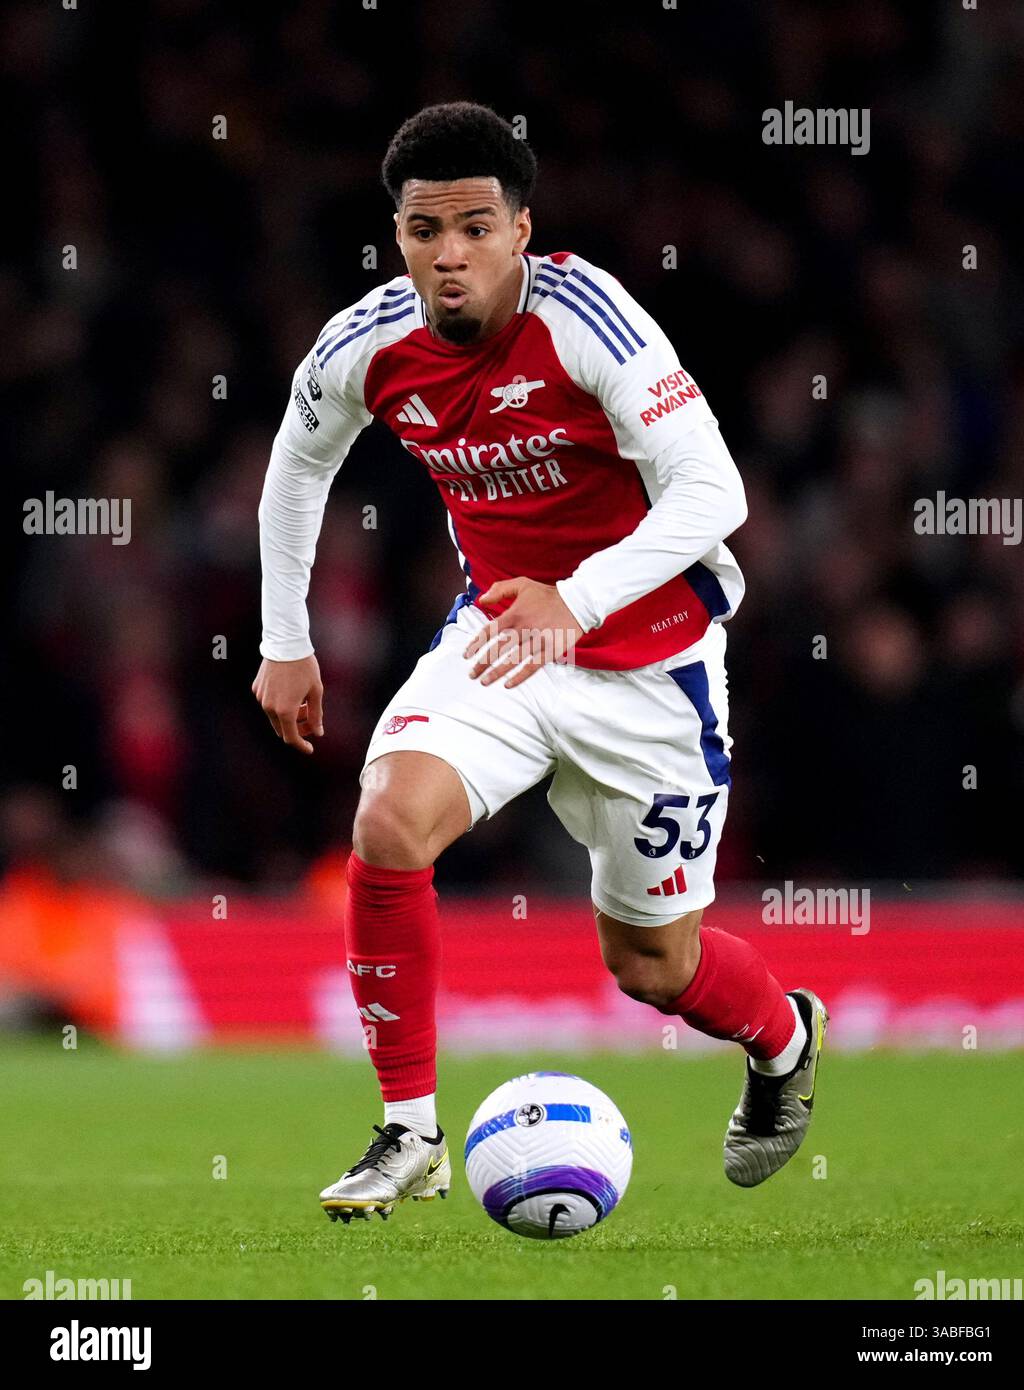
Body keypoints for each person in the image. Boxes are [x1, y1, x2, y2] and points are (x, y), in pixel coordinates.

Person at [252, 101, 828, 1225]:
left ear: (522, 229)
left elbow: (715, 494)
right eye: (425, 230)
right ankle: (408, 1130)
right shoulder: (366, 343)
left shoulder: (591, 320)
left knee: (653, 967)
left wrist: (580, 596)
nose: (449, 254)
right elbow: (294, 465)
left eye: (474, 227)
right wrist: (284, 640)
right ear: (399, 236)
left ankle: (783, 1038)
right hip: (502, 643)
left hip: (649, 668)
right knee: (386, 823)